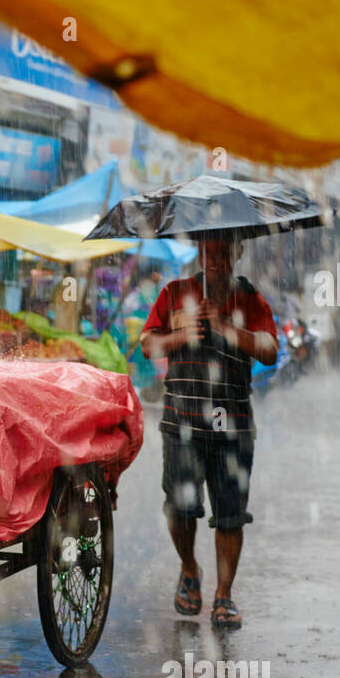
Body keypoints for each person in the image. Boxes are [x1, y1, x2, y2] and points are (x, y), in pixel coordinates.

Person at [139, 235, 277, 628]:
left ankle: (224, 595)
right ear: (199, 255)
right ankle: (189, 568)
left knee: (230, 515)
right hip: (181, 422)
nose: (214, 261)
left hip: (232, 427)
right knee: (180, 509)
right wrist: (183, 335)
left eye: (222, 253)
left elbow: (269, 350)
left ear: (238, 253)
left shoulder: (249, 300)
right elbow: (149, 346)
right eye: (208, 254)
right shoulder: (174, 294)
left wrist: (225, 328)